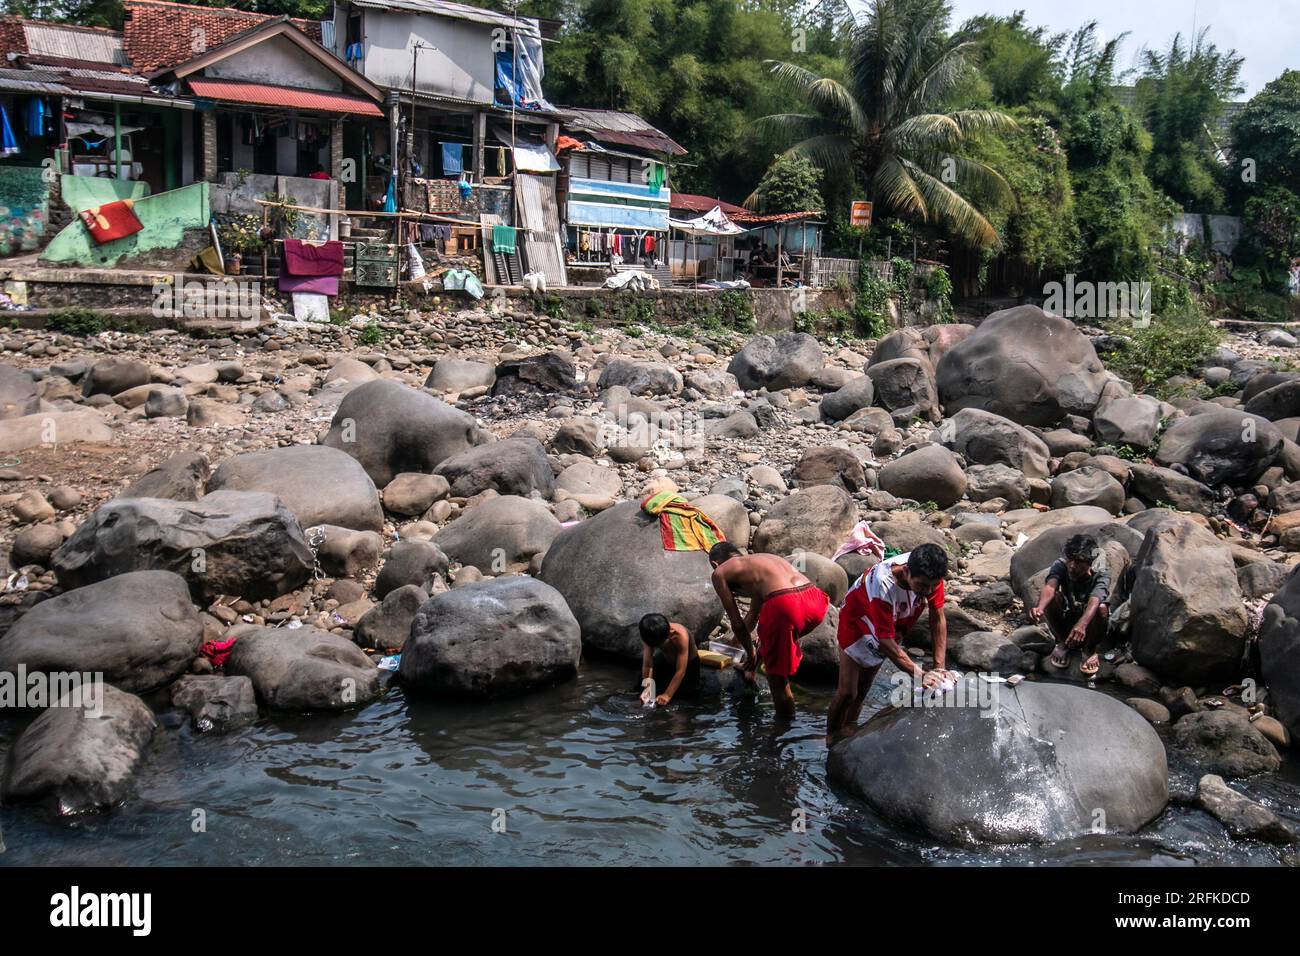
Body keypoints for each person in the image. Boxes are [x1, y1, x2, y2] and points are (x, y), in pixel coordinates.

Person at [826, 544, 953, 744]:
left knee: (864, 687)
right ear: (906, 571)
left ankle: (850, 733)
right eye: (922, 586)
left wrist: (940, 667)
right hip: (858, 620)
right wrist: (919, 675)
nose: (928, 591)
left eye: (933, 586)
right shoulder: (883, 584)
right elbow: (884, 640)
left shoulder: (929, 574)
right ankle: (831, 737)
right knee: (848, 692)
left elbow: (937, 618)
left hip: (894, 619)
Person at [708, 542, 829, 718]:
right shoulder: (759, 563)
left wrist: (749, 654)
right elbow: (753, 615)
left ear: (714, 564)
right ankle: (752, 669)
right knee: (769, 634)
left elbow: (738, 623)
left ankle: (782, 730)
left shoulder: (719, 572)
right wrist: (749, 656)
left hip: (786, 603)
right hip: (815, 599)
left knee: (777, 679)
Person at [1030, 533, 1110, 677]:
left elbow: (1096, 598)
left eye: (1079, 562)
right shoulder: (1061, 565)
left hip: (1091, 625)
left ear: (1090, 562)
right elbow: (1050, 586)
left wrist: (1083, 624)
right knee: (1053, 598)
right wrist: (1040, 608)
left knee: (1101, 608)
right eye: (1070, 560)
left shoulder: (1101, 572)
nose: (1072, 566)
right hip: (1067, 621)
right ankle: (1062, 642)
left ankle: (1089, 650)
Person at [639, 613, 699, 706]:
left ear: (669, 634)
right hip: (666, 660)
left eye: (660, 644)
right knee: (642, 685)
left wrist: (667, 695)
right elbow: (648, 664)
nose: (658, 647)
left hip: (688, 665)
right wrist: (647, 688)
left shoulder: (680, 636)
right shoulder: (649, 634)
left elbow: (681, 671)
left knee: (680, 696)